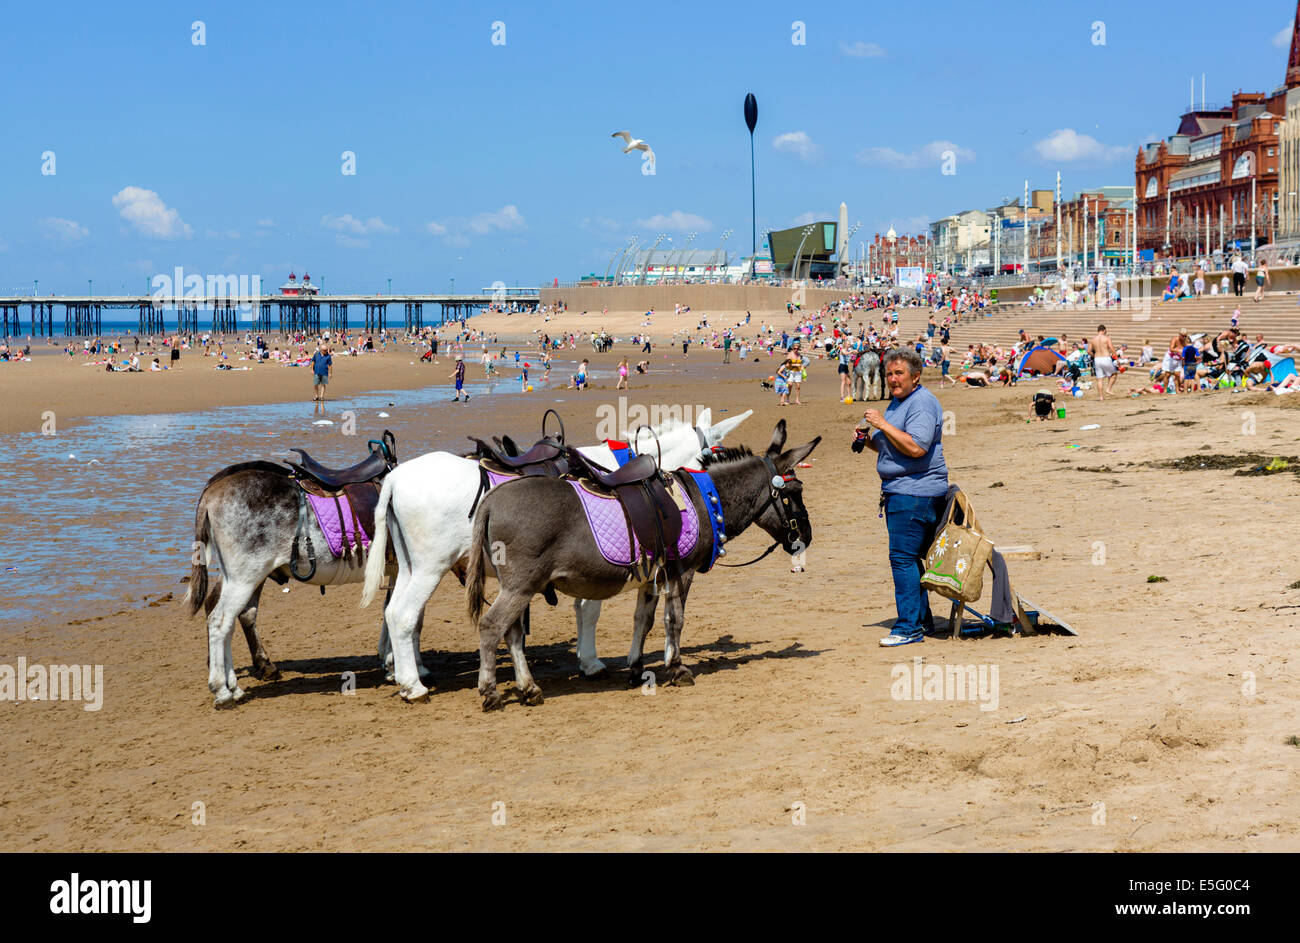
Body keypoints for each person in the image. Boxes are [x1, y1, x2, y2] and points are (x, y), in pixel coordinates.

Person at [851, 348, 949, 646]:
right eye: (889, 374)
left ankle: (908, 628)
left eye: (898, 373)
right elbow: (892, 447)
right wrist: (866, 440)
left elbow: (917, 448)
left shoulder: (921, 403)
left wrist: (881, 423)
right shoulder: (898, 403)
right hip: (903, 491)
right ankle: (923, 622)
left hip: (915, 492)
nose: (892, 379)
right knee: (910, 560)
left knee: (903, 559)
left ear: (915, 376)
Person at [1089, 325, 1119, 401]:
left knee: (1099, 379)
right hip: (1106, 358)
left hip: (1097, 359)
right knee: (1114, 374)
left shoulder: (1093, 339)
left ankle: (1101, 397)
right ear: (1104, 330)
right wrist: (1117, 358)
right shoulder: (1106, 338)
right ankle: (1108, 389)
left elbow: (1088, 351)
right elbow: (1112, 348)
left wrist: (1093, 355)